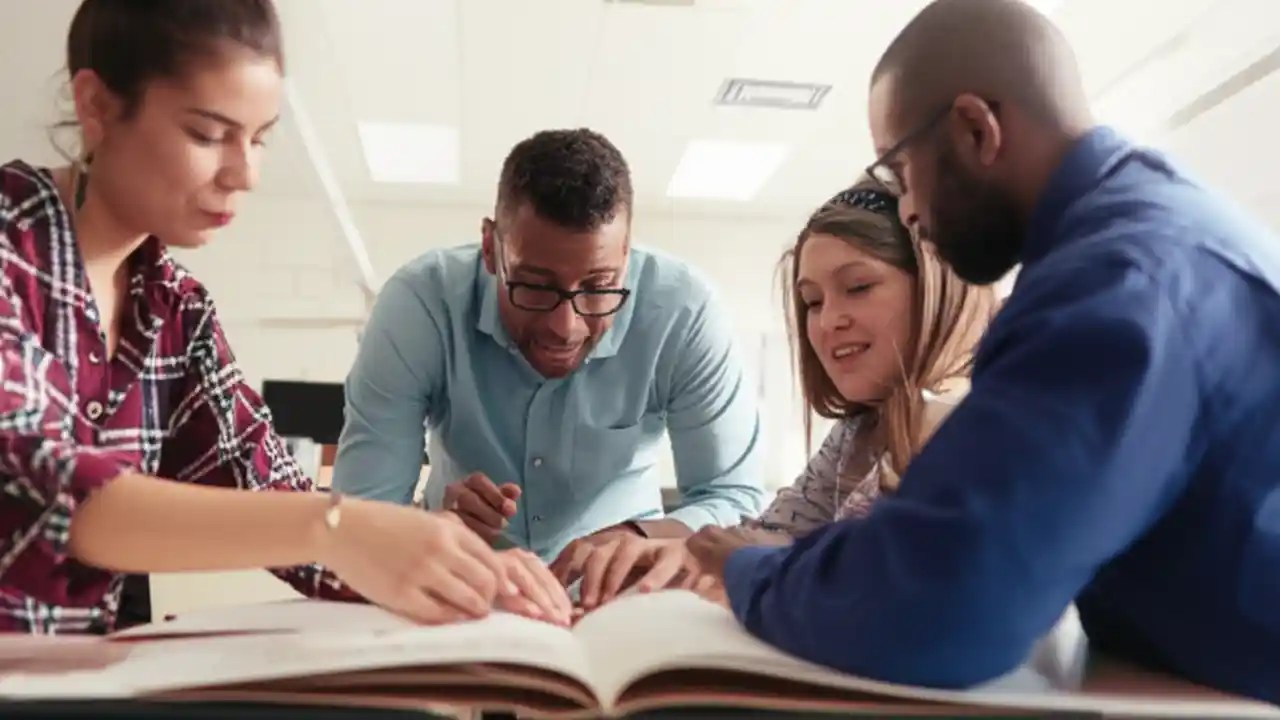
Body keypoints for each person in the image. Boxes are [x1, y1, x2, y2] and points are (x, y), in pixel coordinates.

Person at [687, 0, 1280, 705]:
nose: (905, 209)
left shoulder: (1113, 282)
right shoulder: (1149, 231)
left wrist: (755, 574)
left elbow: (941, 606)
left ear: (976, 129)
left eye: (902, 172)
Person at [0, 0, 570, 634]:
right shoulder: (9, 249)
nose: (244, 173)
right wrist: (340, 528)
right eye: (208, 134)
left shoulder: (176, 311)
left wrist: (450, 558)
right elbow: (47, 491)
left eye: (260, 137)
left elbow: (266, 489)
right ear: (97, 105)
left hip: (71, 681)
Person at [332, 128, 765, 585]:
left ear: (626, 253)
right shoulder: (420, 303)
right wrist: (430, 530)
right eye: (535, 285)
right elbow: (362, 512)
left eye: (599, 286)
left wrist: (641, 534)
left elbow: (734, 497)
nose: (566, 327)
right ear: (489, 247)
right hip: (462, 576)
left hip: (625, 589)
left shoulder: (684, 310)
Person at [572, 180, 998, 610]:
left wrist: (729, 560)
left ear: (934, 287)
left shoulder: (971, 423)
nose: (829, 321)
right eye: (812, 302)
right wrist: (677, 549)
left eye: (858, 287)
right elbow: (775, 532)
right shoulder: (858, 432)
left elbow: (874, 581)